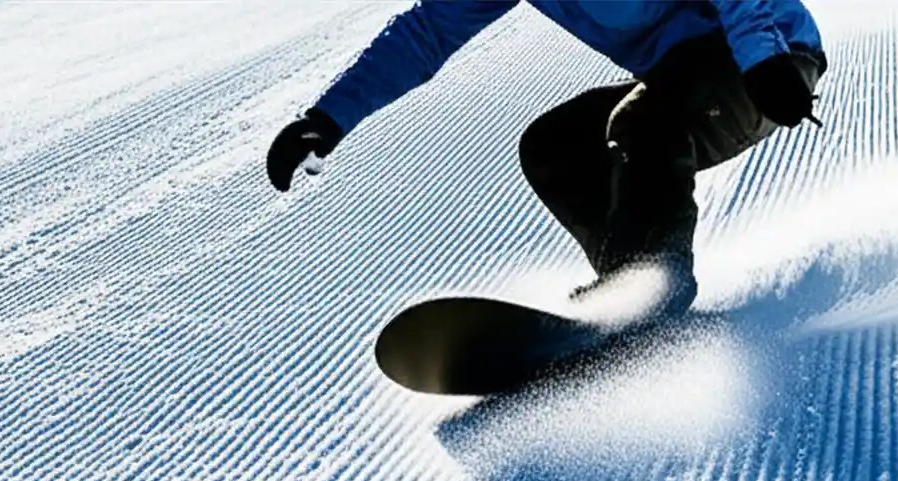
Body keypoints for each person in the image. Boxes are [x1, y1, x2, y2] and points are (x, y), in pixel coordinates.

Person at [266, 1, 826, 311]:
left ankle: (654, 291)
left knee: (641, 121)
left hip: (769, 62)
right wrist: (327, 119)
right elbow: (426, 32)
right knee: (555, 146)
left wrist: (762, 58)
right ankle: (626, 294)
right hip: (686, 77)